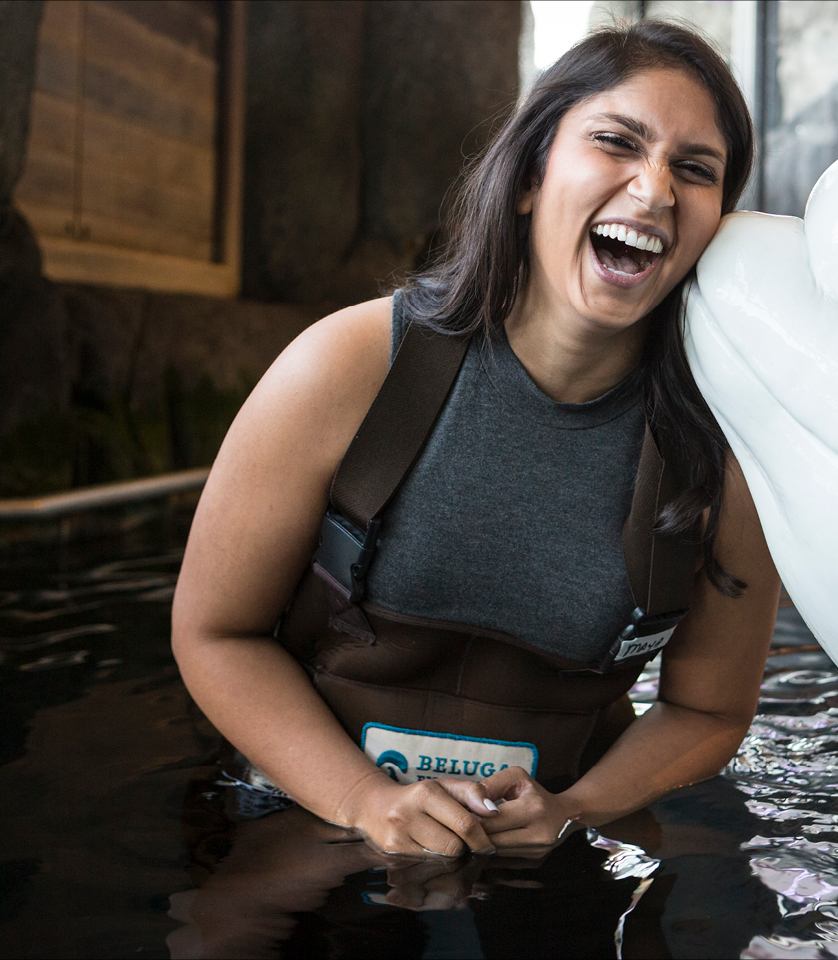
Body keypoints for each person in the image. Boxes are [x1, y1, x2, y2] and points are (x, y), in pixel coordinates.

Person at [171, 19, 781, 862]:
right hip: (303, 816)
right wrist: (361, 801)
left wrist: (576, 809)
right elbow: (215, 633)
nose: (654, 190)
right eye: (617, 142)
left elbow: (709, 709)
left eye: (696, 168)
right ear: (531, 176)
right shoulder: (349, 366)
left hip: (551, 849)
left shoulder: (723, 457)